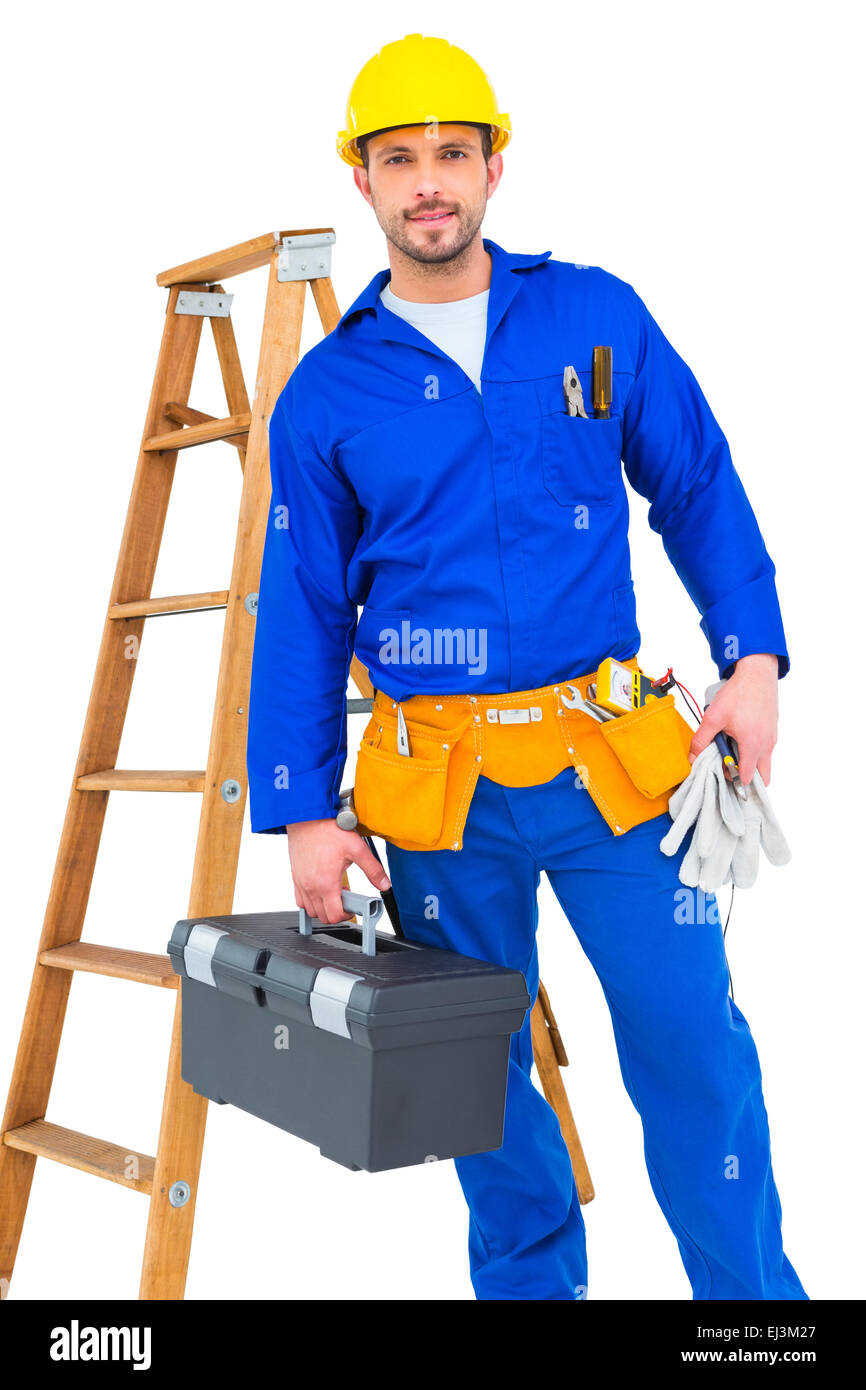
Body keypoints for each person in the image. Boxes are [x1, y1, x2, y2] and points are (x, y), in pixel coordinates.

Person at [246, 33, 807, 1301]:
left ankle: (756, 1320)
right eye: (400, 159)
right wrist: (297, 810)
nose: (428, 181)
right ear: (363, 180)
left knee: (692, 1050)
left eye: (453, 152)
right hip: (436, 797)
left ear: (495, 163)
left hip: (614, 772)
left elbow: (697, 483)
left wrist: (753, 656)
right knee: (474, 1085)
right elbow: (303, 608)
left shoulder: (590, 315)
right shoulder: (328, 394)